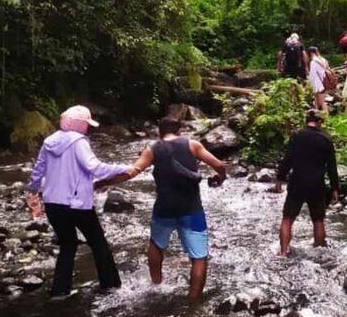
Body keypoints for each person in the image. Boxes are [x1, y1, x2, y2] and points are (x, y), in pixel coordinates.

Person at [27, 105, 141, 298]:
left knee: (67, 245)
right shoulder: (79, 141)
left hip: (53, 203)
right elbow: (94, 167)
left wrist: (33, 192)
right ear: (79, 124)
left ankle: (60, 291)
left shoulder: (49, 141)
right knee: (98, 242)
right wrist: (126, 167)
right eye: (86, 124)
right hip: (76, 203)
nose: (88, 128)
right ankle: (111, 285)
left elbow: (38, 170)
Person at [131, 117, 226, 302]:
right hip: (191, 208)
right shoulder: (193, 145)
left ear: (160, 131)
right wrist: (220, 178)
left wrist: (104, 181)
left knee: (156, 245)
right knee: (199, 256)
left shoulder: (152, 149)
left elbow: (133, 170)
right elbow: (219, 165)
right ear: (180, 130)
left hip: (164, 207)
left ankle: (156, 285)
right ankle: (193, 300)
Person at [275, 110, 339, 256]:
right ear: (319, 122)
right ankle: (319, 253)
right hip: (316, 185)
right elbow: (332, 167)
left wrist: (280, 177)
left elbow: (288, 159)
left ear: (306, 121)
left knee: (287, 218)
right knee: (318, 220)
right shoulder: (326, 140)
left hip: (297, 183)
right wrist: (335, 187)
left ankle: (283, 252)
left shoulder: (297, 136)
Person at [307, 46, 330, 113]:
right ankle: (317, 118)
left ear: (310, 53)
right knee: (316, 103)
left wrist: (310, 85)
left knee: (322, 103)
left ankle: (327, 119)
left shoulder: (313, 62)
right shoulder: (323, 60)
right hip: (324, 83)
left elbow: (312, 75)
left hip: (318, 85)